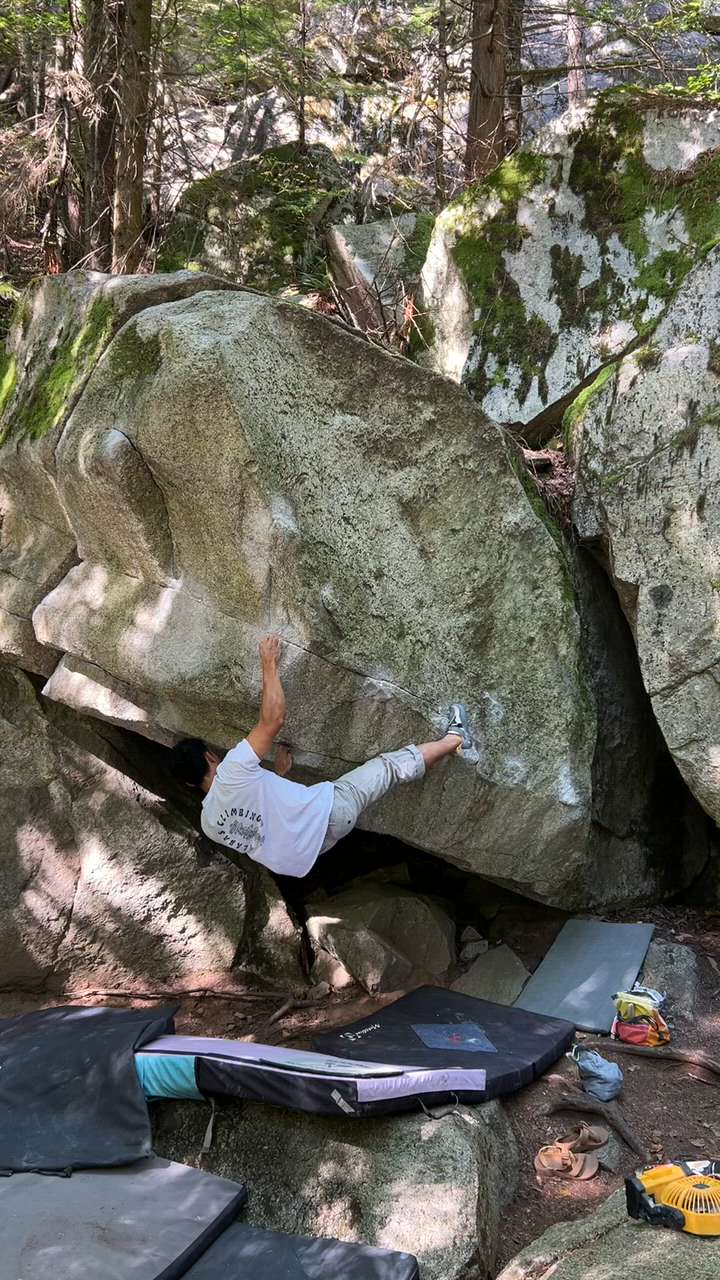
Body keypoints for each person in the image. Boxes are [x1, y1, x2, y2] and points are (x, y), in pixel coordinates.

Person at [169, 635, 472, 878]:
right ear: (211, 757)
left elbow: (254, 821)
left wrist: (278, 776)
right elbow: (273, 720)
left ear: (186, 784)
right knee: (389, 767)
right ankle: (456, 738)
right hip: (331, 814)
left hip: (308, 857)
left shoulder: (209, 823)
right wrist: (269, 664)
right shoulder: (232, 770)